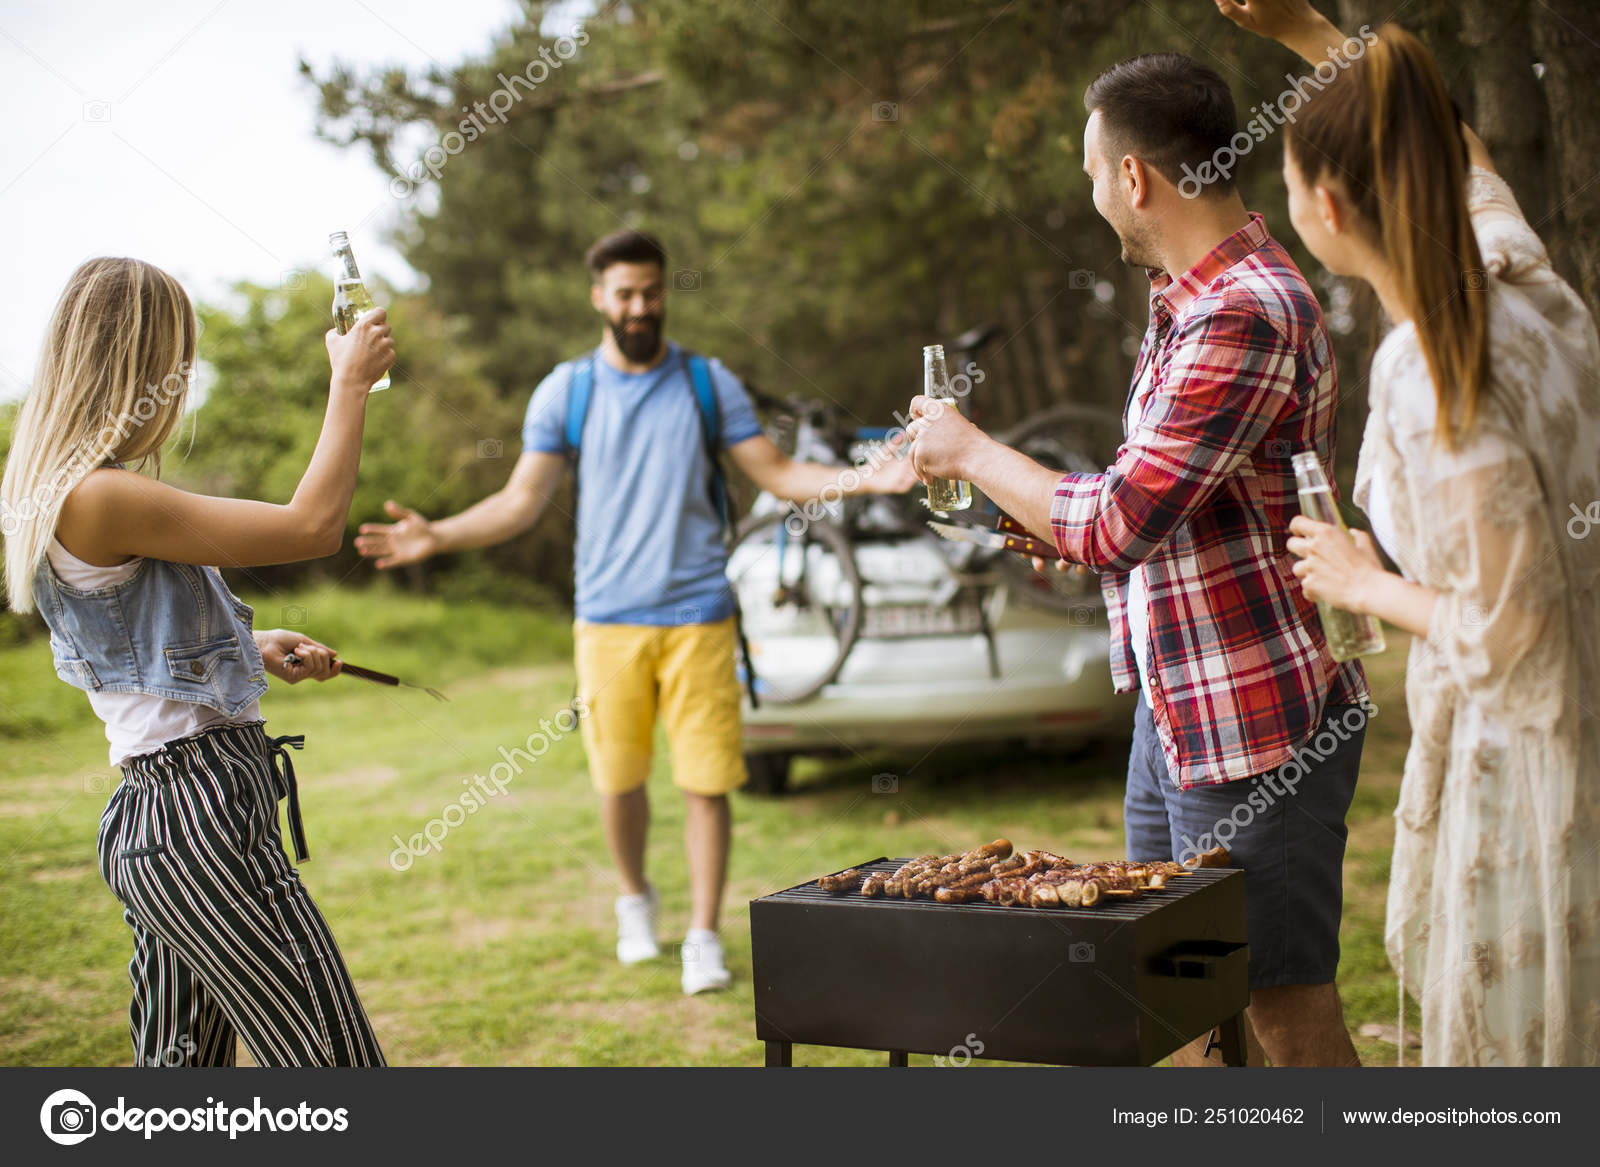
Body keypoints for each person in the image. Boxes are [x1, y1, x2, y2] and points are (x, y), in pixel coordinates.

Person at [905, 53, 1369, 1066]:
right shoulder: (1185, 304)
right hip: (1180, 714)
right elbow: (1166, 514)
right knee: (1186, 998)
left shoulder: (1241, 311)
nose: (1086, 193)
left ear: (1133, 179)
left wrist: (972, 451)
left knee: (1280, 1008)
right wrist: (1022, 520)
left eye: (1088, 170)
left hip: (1258, 725)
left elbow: (1118, 521)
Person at [355, 230, 916, 994]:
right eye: (625, 293)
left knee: (706, 783)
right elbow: (522, 500)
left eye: (651, 292)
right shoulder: (568, 390)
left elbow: (779, 473)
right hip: (608, 621)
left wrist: (868, 480)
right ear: (599, 297)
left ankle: (702, 934)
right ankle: (634, 898)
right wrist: (437, 535)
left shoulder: (706, 383)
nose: (640, 306)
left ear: (662, 293)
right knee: (618, 782)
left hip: (699, 617)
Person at [1214, 0, 1600, 1065]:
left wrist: (1360, 579)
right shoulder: (1529, 287)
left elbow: (1506, 626)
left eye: (1286, 184)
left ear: (1326, 207)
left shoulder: (1431, 364)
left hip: (1529, 783)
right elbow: (1454, 151)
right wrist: (1306, 33)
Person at [0, 257, 394, 1066]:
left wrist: (247, 646)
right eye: (177, 362)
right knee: (339, 1067)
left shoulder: (57, 490)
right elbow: (311, 526)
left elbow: (126, 642)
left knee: (180, 1084)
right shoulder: (100, 495)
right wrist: (348, 384)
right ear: (137, 363)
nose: (181, 384)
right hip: (203, 817)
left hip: (160, 825)